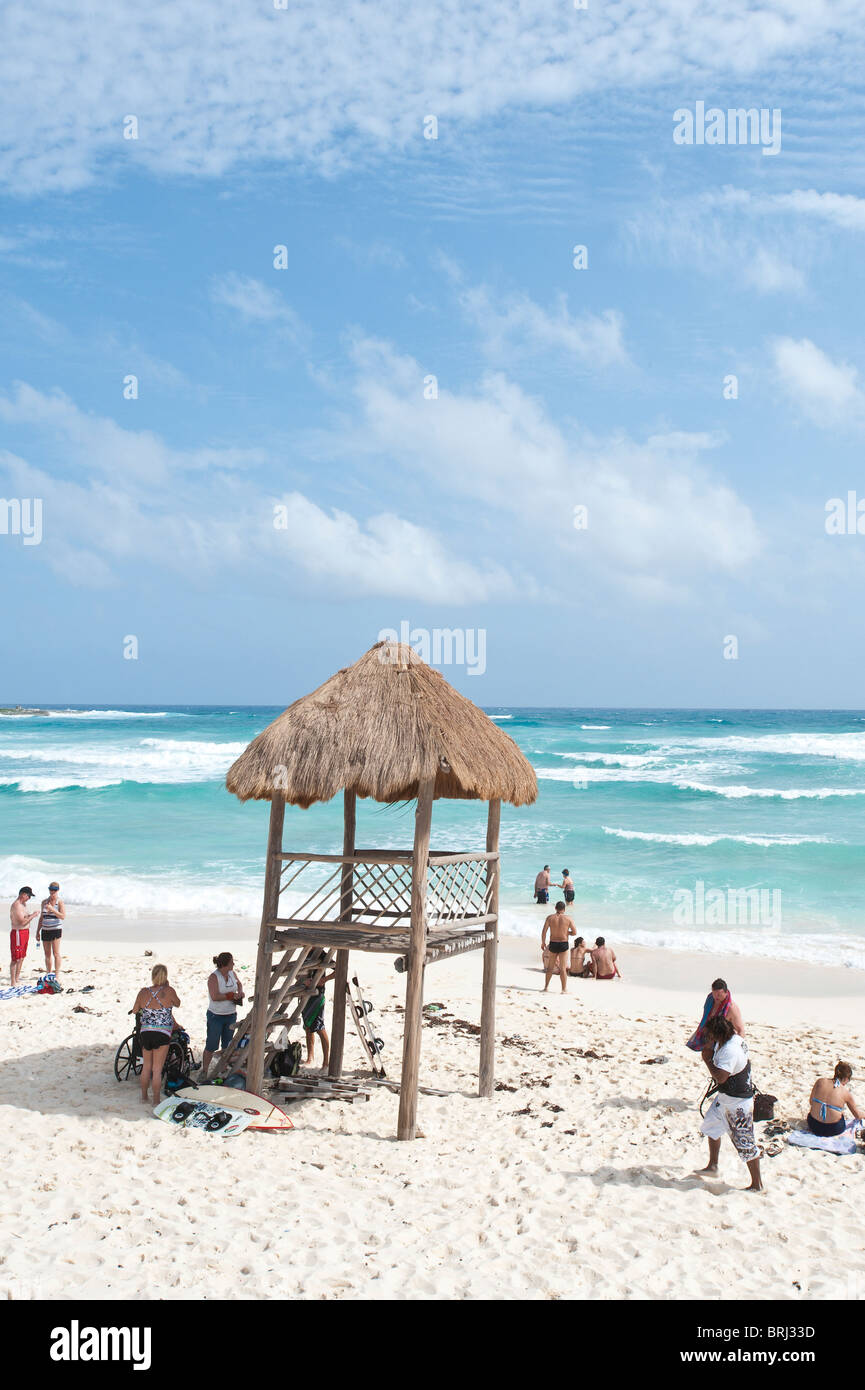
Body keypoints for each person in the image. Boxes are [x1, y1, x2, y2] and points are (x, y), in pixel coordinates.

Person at [697, 1013, 763, 1192]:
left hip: (738, 1103)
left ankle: (757, 1184)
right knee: (712, 1126)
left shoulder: (730, 1050)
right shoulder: (732, 1039)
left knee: (745, 1142)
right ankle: (713, 1165)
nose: (708, 1039)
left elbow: (721, 1077)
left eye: (710, 1036)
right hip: (725, 1098)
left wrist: (707, 1059)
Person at [132, 964, 181, 1105]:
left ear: (152, 976)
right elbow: (177, 1003)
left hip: (146, 1032)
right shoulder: (169, 991)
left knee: (146, 1066)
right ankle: (156, 1100)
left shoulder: (143, 992)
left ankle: (144, 1097)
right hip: (162, 1032)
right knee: (157, 1069)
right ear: (165, 977)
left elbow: (135, 1010)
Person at [201, 952, 244, 1078]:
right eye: (232, 962)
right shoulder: (214, 977)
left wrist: (240, 993)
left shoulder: (232, 973)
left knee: (227, 1044)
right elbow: (214, 996)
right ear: (225, 964)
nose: (233, 964)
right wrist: (230, 996)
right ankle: (205, 1070)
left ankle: (223, 1068)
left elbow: (239, 984)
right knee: (211, 1044)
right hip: (216, 1015)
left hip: (230, 1014)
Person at [806, 1062, 862, 1138]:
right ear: (846, 1078)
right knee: (840, 1116)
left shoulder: (820, 1081)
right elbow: (857, 1115)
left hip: (814, 1125)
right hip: (833, 1129)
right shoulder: (845, 1093)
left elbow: (811, 1102)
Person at [686, 978, 744, 1050]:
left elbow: (741, 1030)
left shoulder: (732, 1008)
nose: (716, 997)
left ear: (726, 993)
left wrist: (737, 1048)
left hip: (723, 1039)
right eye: (714, 994)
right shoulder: (710, 999)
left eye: (719, 994)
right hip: (710, 1034)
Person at [302, 952, 335, 1067]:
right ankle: (310, 1057)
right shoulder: (306, 952)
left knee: (320, 1027)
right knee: (307, 1026)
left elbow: (338, 969)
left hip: (318, 995)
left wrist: (324, 979)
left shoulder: (323, 955)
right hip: (305, 994)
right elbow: (298, 972)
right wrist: (303, 981)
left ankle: (326, 1062)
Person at [541, 901, 576, 993]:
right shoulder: (568, 918)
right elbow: (574, 932)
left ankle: (546, 987)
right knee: (563, 968)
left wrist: (543, 942)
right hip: (563, 943)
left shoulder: (550, 918)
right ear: (564, 909)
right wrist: (566, 932)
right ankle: (564, 989)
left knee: (550, 967)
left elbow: (544, 931)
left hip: (553, 943)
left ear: (555, 908)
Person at [9, 887, 39, 986]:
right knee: (15, 958)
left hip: (25, 932)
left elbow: (25, 917)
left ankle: (17, 978)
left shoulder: (23, 904)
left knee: (22, 956)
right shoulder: (16, 905)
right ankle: (13, 981)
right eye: (29, 896)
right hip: (18, 932)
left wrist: (30, 915)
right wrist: (33, 915)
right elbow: (22, 922)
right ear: (23, 894)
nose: (29, 898)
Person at [37, 881, 66, 978]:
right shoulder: (44, 902)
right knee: (47, 953)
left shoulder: (60, 902)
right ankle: (48, 973)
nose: (52, 891)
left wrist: (52, 909)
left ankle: (57, 974)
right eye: (51, 889)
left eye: (55, 890)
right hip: (45, 929)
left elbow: (63, 916)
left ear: (58, 890)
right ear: (49, 889)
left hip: (56, 929)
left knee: (56, 953)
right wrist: (37, 931)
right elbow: (41, 917)